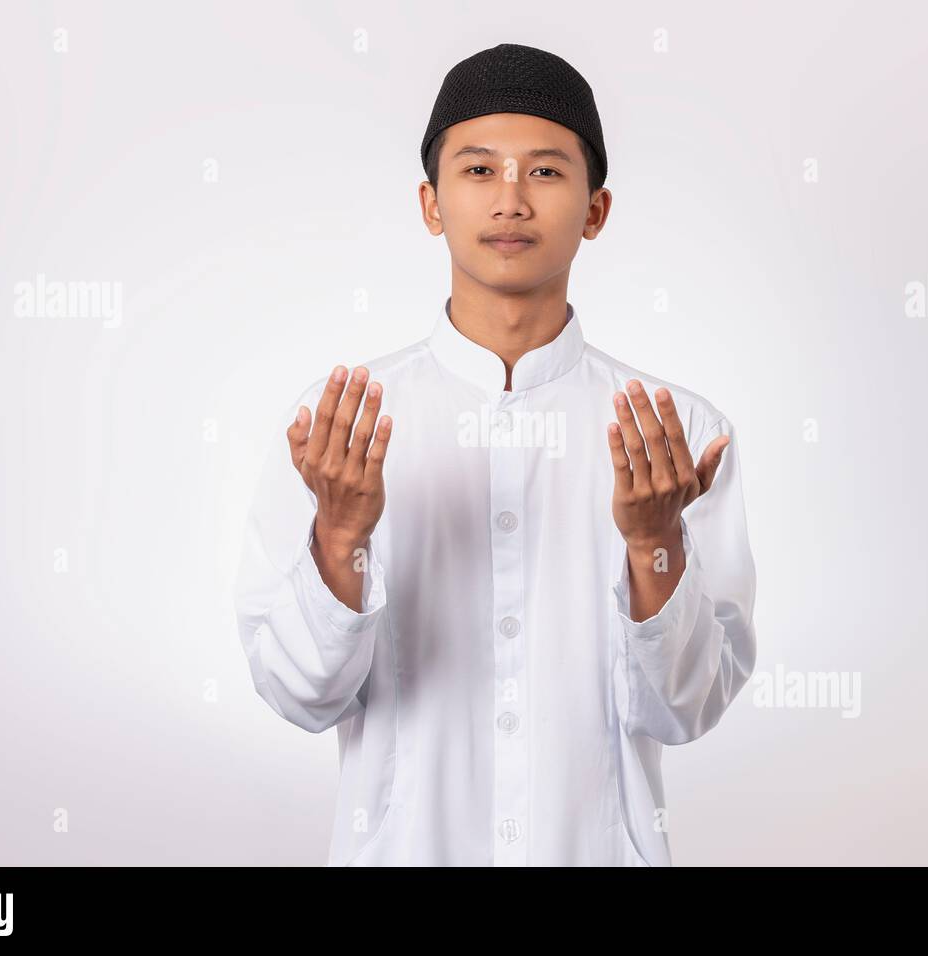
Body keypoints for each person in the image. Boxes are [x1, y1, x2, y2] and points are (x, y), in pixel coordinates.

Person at [233, 42, 757, 866]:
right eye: (478, 170)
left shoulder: (677, 432)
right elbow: (300, 696)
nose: (510, 201)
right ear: (431, 203)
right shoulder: (338, 427)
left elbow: (686, 710)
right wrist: (338, 537)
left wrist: (654, 546)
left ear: (596, 209)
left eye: (545, 172)